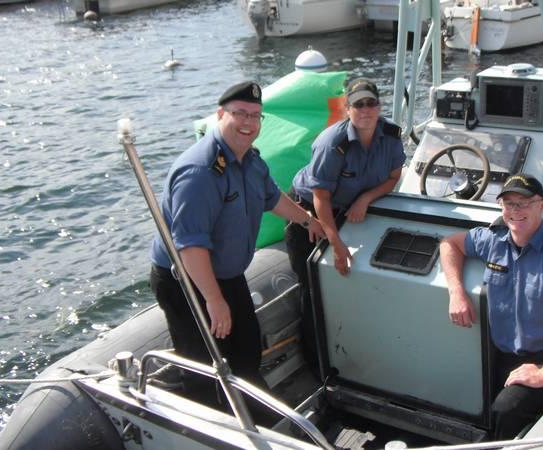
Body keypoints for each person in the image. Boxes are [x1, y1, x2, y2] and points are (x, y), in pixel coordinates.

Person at [149, 80, 325, 408]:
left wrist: (308, 221)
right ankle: (210, 426)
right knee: (202, 364)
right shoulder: (200, 172)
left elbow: (272, 198)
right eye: (240, 114)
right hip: (189, 281)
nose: (249, 123)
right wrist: (214, 300)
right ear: (220, 114)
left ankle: (250, 412)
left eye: (256, 116)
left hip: (226, 275)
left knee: (245, 349)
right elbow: (190, 246)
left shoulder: (249, 160)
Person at [439, 174, 543, 440]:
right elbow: (449, 244)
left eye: (524, 203)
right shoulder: (493, 240)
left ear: (542, 205)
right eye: (509, 203)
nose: (515, 211)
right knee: (456, 395)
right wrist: (457, 292)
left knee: (504, 411)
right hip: (500, 354)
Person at [284, 77, 405, 372]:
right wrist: (336, 244)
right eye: (358, 104)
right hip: (311, 211)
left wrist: (364, 199)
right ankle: (318, 366)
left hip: (351, 206)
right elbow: (320, 198)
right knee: (313, 288)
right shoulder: (331, 144)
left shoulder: (391, 135)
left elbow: (393, 177)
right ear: (347, 109)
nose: (366, 110)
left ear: (379, 106)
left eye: (371, 103)